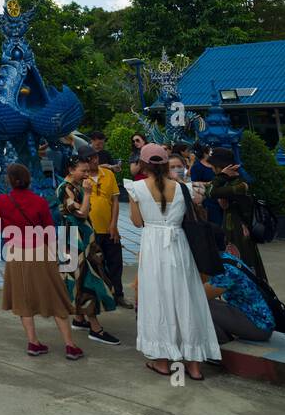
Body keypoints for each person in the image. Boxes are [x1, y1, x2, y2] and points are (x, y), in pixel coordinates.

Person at [127, 144, 222, 379]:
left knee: (158, 299)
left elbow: (137, 223)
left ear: (144, 165)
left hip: (153, 248)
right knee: (186, 298)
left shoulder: (136, 188)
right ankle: (194, 365)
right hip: (180, 247)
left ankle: (162, 361)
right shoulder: (182, 189)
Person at [0, 163, 81, 359]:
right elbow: (50, 232)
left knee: (23, 297)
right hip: (39, 251)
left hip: (16, 252)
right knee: (55, 296)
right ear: (29, 179)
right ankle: (70, 345)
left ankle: (33, 343)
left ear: (9, 181)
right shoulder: (39, 202)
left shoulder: (2, 201)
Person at [54, 157, 121, 345]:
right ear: (70, 169)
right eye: (83, 171)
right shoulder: (65, 189)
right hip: (73, 240)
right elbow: (82, 212)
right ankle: (95, 328)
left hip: (79, 237)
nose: (86, 174)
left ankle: (80, 318)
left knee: (80, 277)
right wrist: (88, 193)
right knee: (86, 279)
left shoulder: (73, 186)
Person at [207, 148, 266, 280]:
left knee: (243, 266)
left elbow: (210, 192)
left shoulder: (240, 185)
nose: (212, 169)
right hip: (231, 229)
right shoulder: (229, 183)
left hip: (240, 232)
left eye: (213, 167)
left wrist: (221, 176)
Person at [85, 149, 130, 309]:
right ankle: (99, 298)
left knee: (115, 263)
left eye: (95, 157)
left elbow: (115, 201)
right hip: (91, 231)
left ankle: (119, 295)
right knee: (95, 266)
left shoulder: (108, 174)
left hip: (109, 229)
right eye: (89, 159)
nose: (94, 161)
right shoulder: (82, 178)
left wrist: (114, 225)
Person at [204, 249, 275, 344]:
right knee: (207, 304)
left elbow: (199, 296)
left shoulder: (226, 269)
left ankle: (223, 344)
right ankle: (224, 338)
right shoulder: (226, 257)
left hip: (259, 326)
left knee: (198, 306)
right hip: (253, 316)